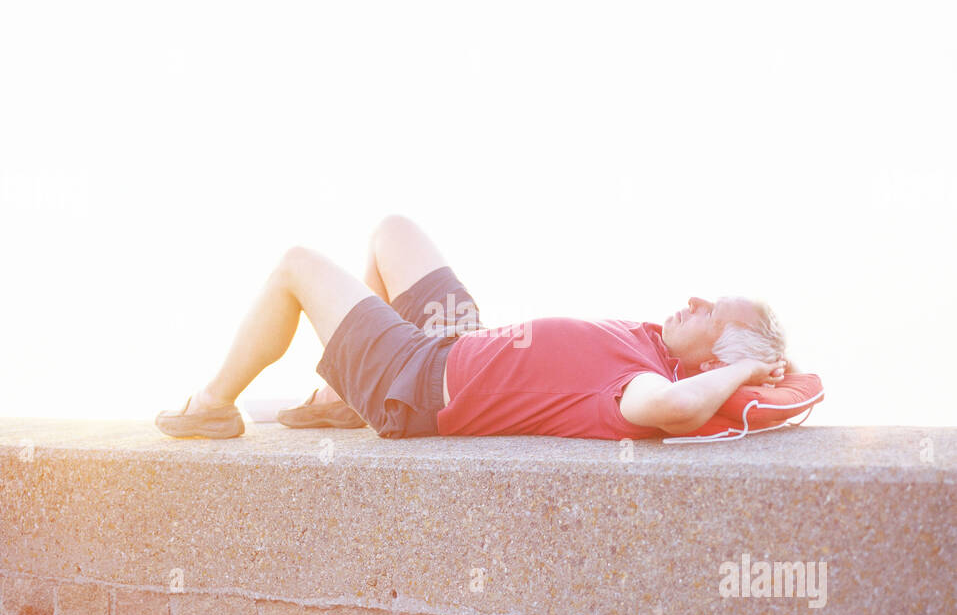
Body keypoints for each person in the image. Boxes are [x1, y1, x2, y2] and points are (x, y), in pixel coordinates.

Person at [155, 214, 788, 442]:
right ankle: (342, 395)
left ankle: (211, 404)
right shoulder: (650, 341)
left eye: (712, 311)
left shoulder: (645, 384)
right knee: (391, 231)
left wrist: (748, 370)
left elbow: (677, 409)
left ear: (713, 363)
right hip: (460, 341)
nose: (695, 299)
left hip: (418, 378)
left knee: (296, 265)